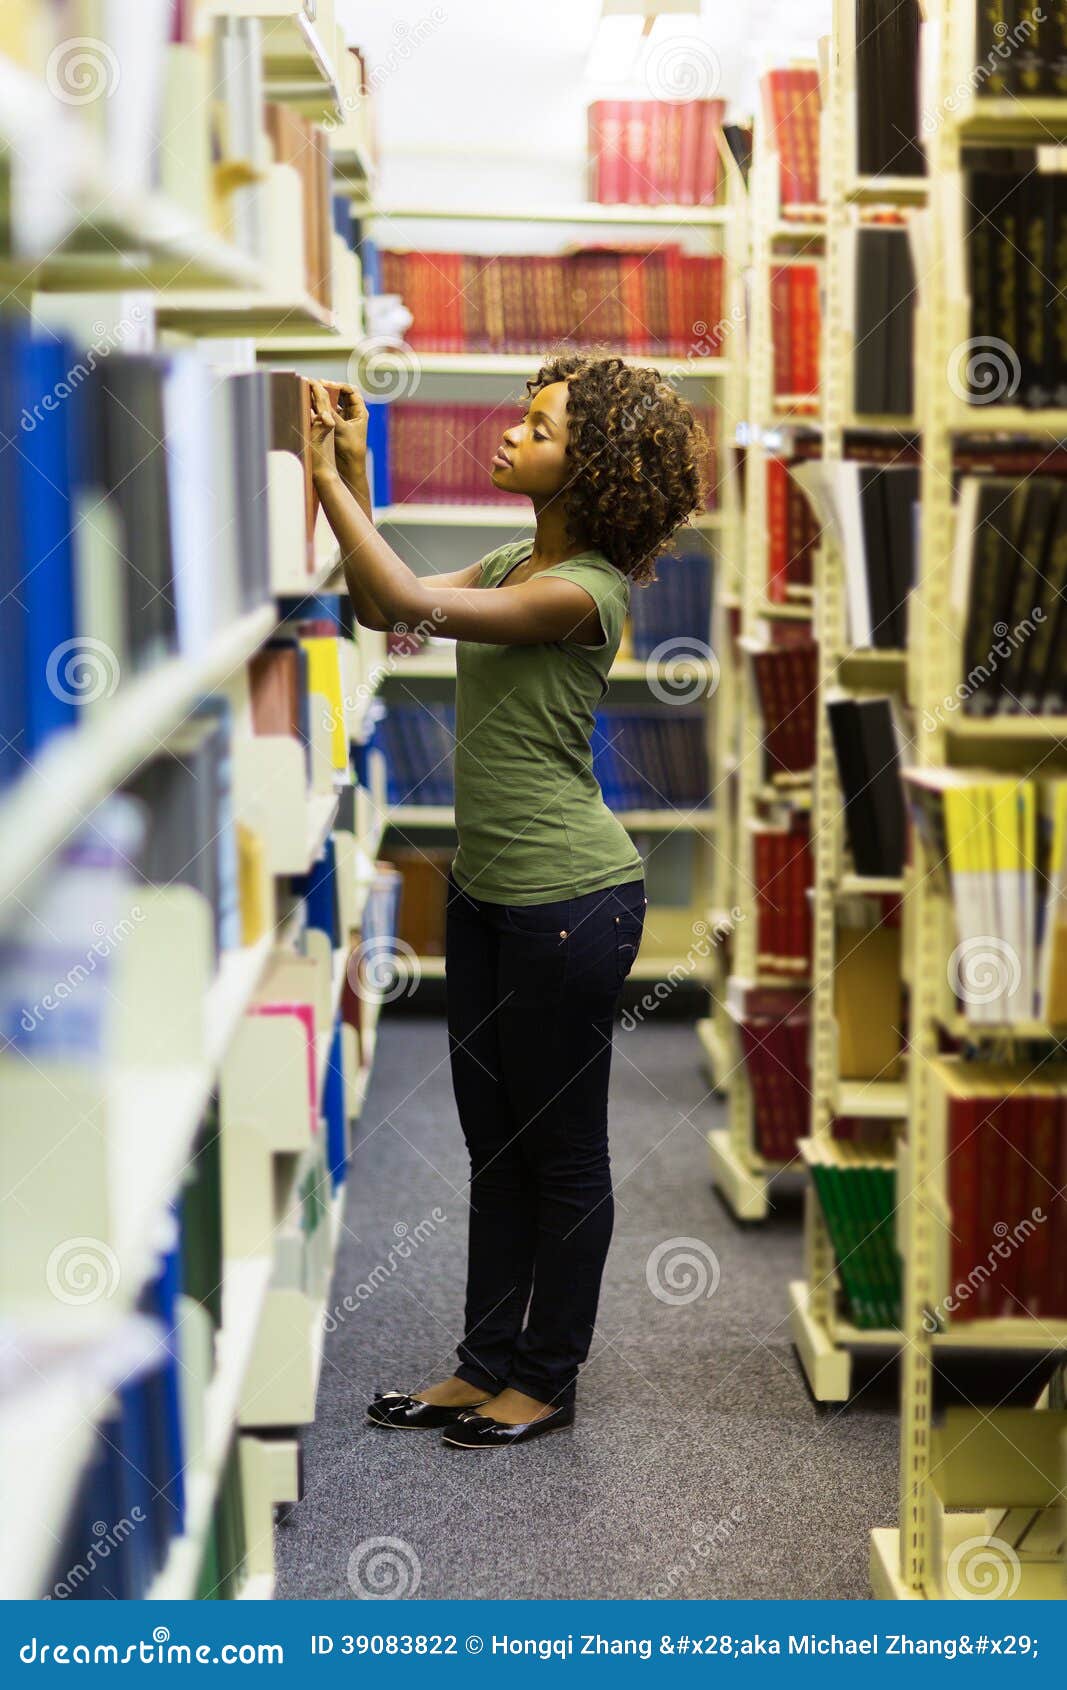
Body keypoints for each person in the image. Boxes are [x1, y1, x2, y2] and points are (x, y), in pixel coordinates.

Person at [307, 350, 709, 1448]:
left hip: (569, 902)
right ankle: (480, 1364)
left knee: (561, 1149)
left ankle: (544, 1378)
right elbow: (373, 606)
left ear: (591, 471)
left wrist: (330, 476)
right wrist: (351, 475)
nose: (509, 434)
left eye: (536, 428)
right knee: (494, 1148)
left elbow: (398, 597)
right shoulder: (507, 561)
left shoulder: (579, 594)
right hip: (489, 893)